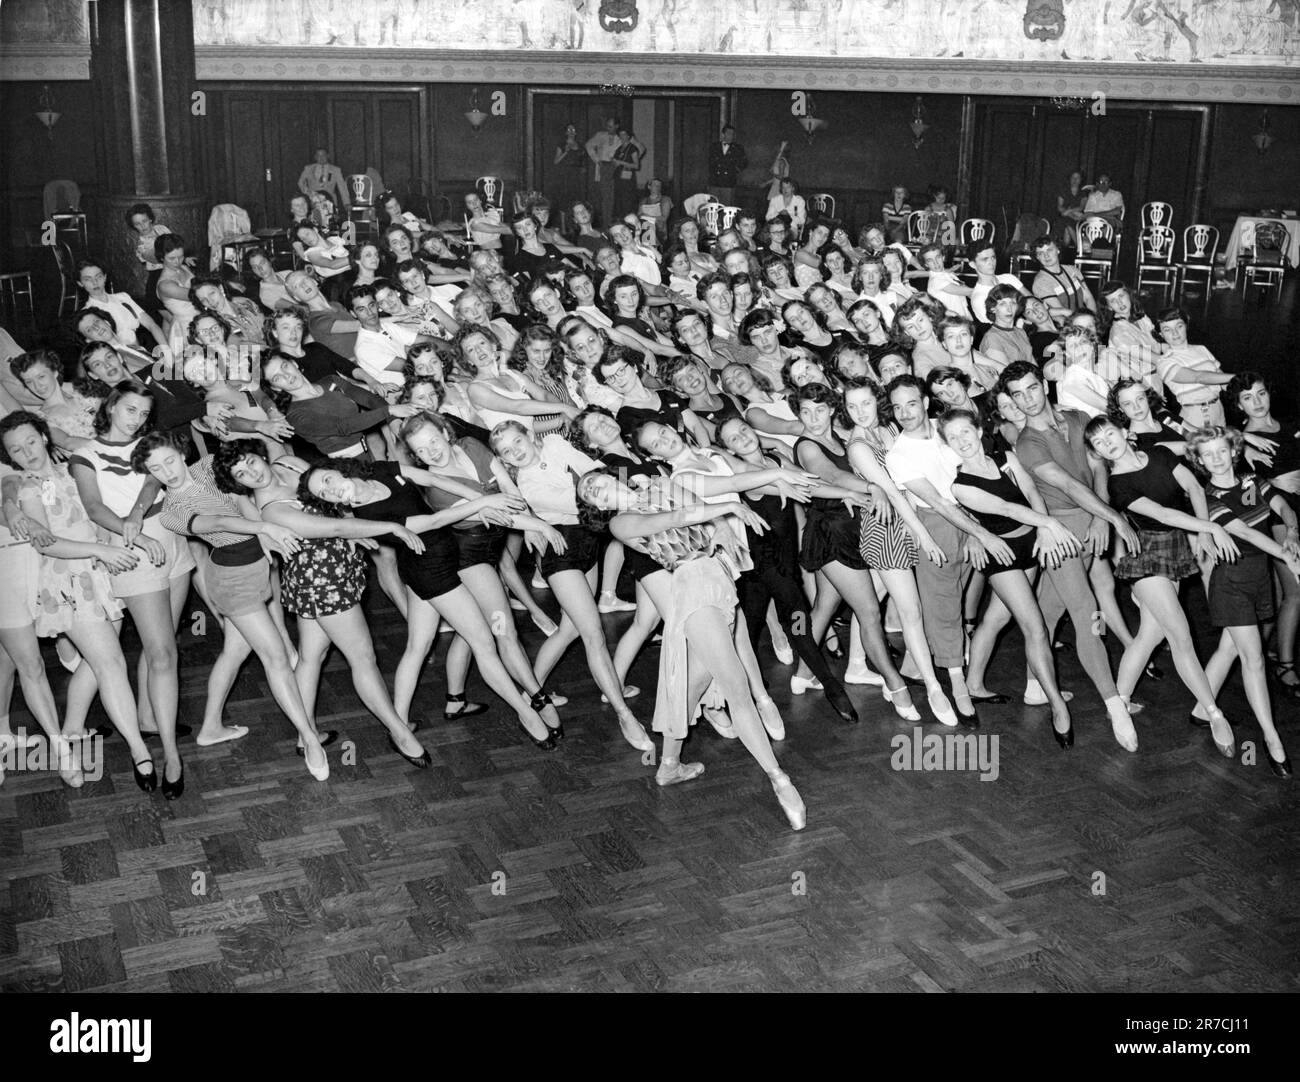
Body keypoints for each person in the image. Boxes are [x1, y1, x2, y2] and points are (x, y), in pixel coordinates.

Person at [575, 467, 805, 827]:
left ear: (613, 476)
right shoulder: (620, 524)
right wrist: (729, 506)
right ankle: (780, 781)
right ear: (595, 508)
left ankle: (669, 766)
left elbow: (705, 516)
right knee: (736, 690)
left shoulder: (663, 485)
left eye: (596, 480)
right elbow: (682, 516)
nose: (595, 487)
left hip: (720, 579)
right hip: (692, 587)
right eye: (589, 493)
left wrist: (725, 522)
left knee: (692, 686)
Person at [0, 412, 159, 791]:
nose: (27, 453)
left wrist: (115, 540)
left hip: (99, 574)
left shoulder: (72, 469)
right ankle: (140, 751)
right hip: (66, 582)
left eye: (32, 442)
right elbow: (47, 542)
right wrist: (98, 551)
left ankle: (72, 729)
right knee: (111, 663)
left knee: (97, 660)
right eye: (16, 449)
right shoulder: (23, 486)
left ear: (43, 435)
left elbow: (96, 512)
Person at [998, 362, 1142, 750]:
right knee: (1085, 611)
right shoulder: (1027, 442)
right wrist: (1110, 518)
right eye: (1017, 394)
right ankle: (1115, 707)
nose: (1027, 399)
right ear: (1010, 399)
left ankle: (1033, 685)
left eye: (1031, 389)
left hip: (1089, 521)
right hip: (1058, 531)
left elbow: (1098, 469)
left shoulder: (1077, 416)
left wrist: (1100, 519)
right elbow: (1064, 484)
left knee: (1048, 609)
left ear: (1043, 385)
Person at [488, 422, 651, 752]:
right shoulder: (526, 484)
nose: (516, 450)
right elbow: (587, 498)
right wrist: (625, 492)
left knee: (569, 631)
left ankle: (531, 691)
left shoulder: (555, 446)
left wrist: (627, 480)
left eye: (518, 440)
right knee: (594, 634)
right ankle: (624, 715)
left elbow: (594, 472)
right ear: (503, 459)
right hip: (561, 554)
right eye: (507, 450)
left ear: (529, 437)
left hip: (588, 544)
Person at [1084, 416, 1239, 756]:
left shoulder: (1159, 454)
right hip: (1147, 553)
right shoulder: (1118, 484)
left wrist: (1201, 531)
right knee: (1180, 635)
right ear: (1097, 452)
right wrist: (1212, 529)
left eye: (1110, 433)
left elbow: (1194, 489)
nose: (1107, 441)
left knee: (1149, 636)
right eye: (1098, 442)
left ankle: (1119, 702)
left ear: (1126, 433)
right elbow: (1163, 514)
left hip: (1177, 548)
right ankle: (1214, 713)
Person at [940, 409, 1078, 745]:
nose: (962, 442)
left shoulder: (1005, 457)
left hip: (1030, 542)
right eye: (953, 437)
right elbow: (1006, 509)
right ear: (946, 444)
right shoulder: (961, 485)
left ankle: (974, 685)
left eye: (966, 433)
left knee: (996, 618)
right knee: (1035, 627)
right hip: (1000, 554)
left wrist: (1043, 530)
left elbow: (1031, 492)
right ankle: (1058, 707)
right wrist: (1047, 525)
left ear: (978, 429)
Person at [1187, 426, 1299, 778]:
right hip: (1232, 583)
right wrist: (1289, 555)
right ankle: (1271, 738)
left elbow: (1282, 505)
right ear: (1201, 461)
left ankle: (1200, 709)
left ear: (1234, 451)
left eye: (1222, 451)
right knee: (1253, 660)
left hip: (1260, 578)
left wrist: (1293, 531)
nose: (1217, 459)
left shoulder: (1251, 480)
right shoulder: (1208, 497)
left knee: (1229, 649)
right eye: (1209, 455)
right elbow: (1247, 532)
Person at [1155, 308, 1229, 428]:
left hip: (1218, 409)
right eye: (1167, 330)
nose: (1175, 333)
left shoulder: (1202, 349)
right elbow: (1199, 377)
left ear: (1186, 326)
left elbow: (1224, 382)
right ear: (1161, 334)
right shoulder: (1164, 362)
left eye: (1179, 326)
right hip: (1196, 415)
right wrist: (1237, 377)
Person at [76, 258, 169, 352]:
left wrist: (166, 350)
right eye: (88, 279)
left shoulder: (122, 297)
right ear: (80, 283)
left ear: (105, 277)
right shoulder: (88, 314)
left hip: (148, 346)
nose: (95, 282)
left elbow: (151, 325)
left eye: (98, 276)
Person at [1031, 237, 1097, 327]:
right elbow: (1061, 315)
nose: (1046, 256)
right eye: (1040, 253)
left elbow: (1088, 298)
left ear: (1058, 250)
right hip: (1064, 327)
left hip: (1084, 321)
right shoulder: (1041, 282)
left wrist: (1092, 320)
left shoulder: (1073, 270)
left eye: (1049, 250)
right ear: (1037, 257)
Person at [126, 202, 172, 318]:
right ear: (133, 226)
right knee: (164, 312)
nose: (142, 226)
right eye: (137, 224)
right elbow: (157, 259)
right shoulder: (142, 245)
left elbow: (174, 245)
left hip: (172, 271)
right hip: (157, 276)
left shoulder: (162, 229)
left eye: (144, 221)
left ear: (150, 219)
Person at [585, 117, 626, 228]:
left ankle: (614, 223)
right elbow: (588, 145)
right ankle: (605, 224)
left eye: (611, 126)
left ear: (617, 126)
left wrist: (623, 162)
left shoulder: (621, 137)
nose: (608, 128)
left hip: (616, 170)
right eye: (607, 126)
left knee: (615, 197)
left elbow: (636, 149)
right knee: (604, 198)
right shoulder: (600, 135)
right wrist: (597, 160)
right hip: (603, 167)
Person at [707, 124, 748, 205]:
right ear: (723, 134)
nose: (731, 136)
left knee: (726, 207)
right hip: (715, 182)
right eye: (728, 133)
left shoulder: (737, 148)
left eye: (732, 134)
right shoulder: (714, 146)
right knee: (712, 206)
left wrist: (735, 170)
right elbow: (709, 163)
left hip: (728, 183)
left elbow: (744, 162)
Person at [552, 124, 586, 211]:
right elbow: (555, 161)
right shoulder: (562, 144)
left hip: (576, 176)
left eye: (573, 130)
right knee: (565, 199)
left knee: (576, 199)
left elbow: (582, 160)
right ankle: (563, 223)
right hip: (565, 175)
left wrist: (582, 168)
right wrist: (565, 152)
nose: (571, 132)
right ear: (566, 132)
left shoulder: (580, 145)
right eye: (569, 130)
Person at [1054, 169, 1089, 247]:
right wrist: (1071, 215)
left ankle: (1069, 250)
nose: (1075, 180)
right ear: (1070, 179)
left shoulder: (1083, 193)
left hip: (1078, 219)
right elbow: (1060, 207)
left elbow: (1081, 207)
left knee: (1068, 227)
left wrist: (1069, 210)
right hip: (1066, 217)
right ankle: (1079, 248)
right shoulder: (1063, 191)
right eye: (1073, 177)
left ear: (1081, 180)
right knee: (1067, 224)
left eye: (1077, 178)